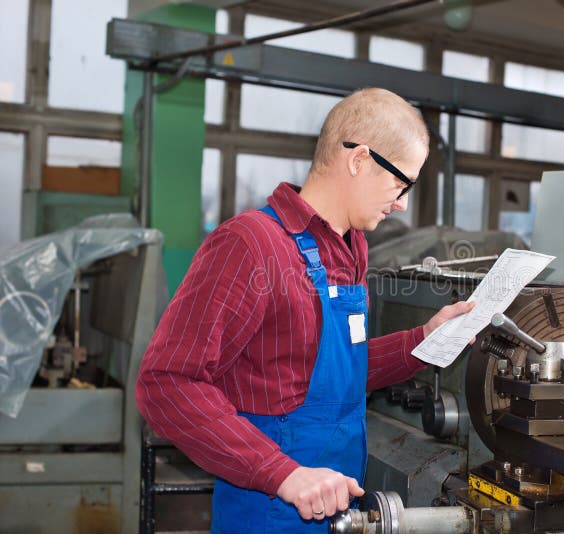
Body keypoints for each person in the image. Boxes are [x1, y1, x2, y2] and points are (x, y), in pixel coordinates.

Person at [135, 87, 475, 533]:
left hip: (340, 508)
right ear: (359, 161)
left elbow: (328, 373)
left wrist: (422, 342)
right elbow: (167, 383)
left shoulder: (351, 248)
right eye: (401, 183)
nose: (402, 204)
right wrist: (282, 473)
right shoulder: (250, 245)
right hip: (269, 513)